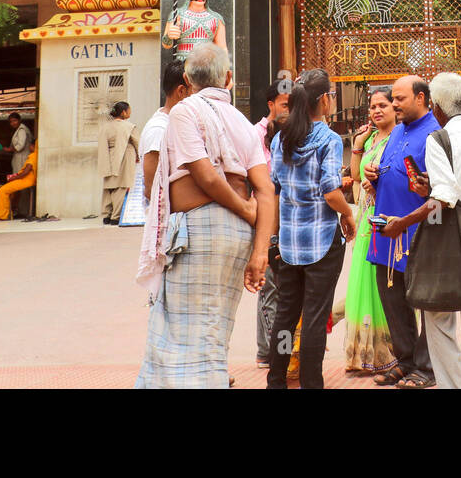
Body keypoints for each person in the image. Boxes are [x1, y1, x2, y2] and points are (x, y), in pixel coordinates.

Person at [135, 42, 274, 389]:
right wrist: (260, 253)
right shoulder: (241, 121)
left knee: (182, 338)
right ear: (228, 78)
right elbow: (267, 191)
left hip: (200, 230)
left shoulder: (185, 111)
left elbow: (207, 176)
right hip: (237, 236)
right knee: (211, 334)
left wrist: (243, 207)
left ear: (186, 79)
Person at [388, 72, 461, 389]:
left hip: (452, 246)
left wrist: (401, 223)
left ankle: (456, 384)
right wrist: (431, 189)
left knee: (439, 319)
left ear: (435, 106)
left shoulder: (438, 139)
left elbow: (444, 198)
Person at [266, 69, 355, 389]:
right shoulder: (328, 140)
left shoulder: (281, 138)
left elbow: (275, 191)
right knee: (315, 318)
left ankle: (275, 380)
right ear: (325, 101)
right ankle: (310, 383)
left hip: (289, 243)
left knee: (285, 317)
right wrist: (348, 214)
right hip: (322, 242)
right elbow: (332, 192)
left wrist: (272, 239)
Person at [361, 74, 438, 389]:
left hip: (418, 235)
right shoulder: (397, 132)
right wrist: (375, 176)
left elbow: (440, 192)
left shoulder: (434, 134)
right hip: (386, 234)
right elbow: (394, 173)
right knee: (393, 302)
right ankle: (405, 362)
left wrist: (426, 187)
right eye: (392, 98)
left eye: (399, 99)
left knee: (427, 306)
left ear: (420, 98)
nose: (393, 104)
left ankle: (427, 368)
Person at [342, 86, 398, 375]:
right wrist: (358, 144)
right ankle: (364, 353)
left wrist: (376, 186)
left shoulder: (398, 139)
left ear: (394, 108)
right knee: (362, 282)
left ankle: (387, 352)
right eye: (373, 106)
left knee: (383, 286)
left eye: (383, 106)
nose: (377, 111)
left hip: (387, 221)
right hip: (365, 220)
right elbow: (354, 175)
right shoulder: (373, 138)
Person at [252, 80, 291, 369]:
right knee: (270, 286)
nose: (289, 110)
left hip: (291, 222)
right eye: (284, 104)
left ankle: (288, 349)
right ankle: (267, 350)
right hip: (264, 222)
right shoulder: (254, 135)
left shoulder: (295, 134)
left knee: (288, 287)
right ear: (271, 105)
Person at [142, 60, 190, 200]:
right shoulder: (159, 130)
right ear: (181, 91)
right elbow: (151, 189)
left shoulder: (174, 123)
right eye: (194, 91)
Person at [97, 101, 139, 224]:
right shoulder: (129, 126)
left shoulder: (105, 127)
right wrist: (139, 156)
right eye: (129, 110)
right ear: (123, 112)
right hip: (124, 156)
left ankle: (106, 215)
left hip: (107, 156)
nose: (130, 112)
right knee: (121, 185)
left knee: (108, 186)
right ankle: (116, 216)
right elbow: (137, 142)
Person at [0, 145, 38, 220]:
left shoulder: (33, 156)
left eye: (30, 145)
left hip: (26, 180)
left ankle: (1, 216)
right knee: (11, 192)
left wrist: (14, 177)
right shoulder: (38, 156)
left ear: (33, 146)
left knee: (2, 190)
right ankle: (8, 213)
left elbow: (26, 172)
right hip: (29, 180)